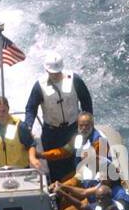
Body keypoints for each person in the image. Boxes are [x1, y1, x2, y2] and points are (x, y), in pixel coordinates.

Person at [24, 53, 93, 181]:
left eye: (57, 72)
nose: (55, 75)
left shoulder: (74, 80)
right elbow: (31, 108)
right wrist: (28, 125)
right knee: (55, 166)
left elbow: (86, 101)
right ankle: (58, 193)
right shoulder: (40, 85)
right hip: (51, 133)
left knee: (76, 161)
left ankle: (78, 191)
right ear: (46, 70)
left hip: (73, 129)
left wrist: (88, 125)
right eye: (52, 72)